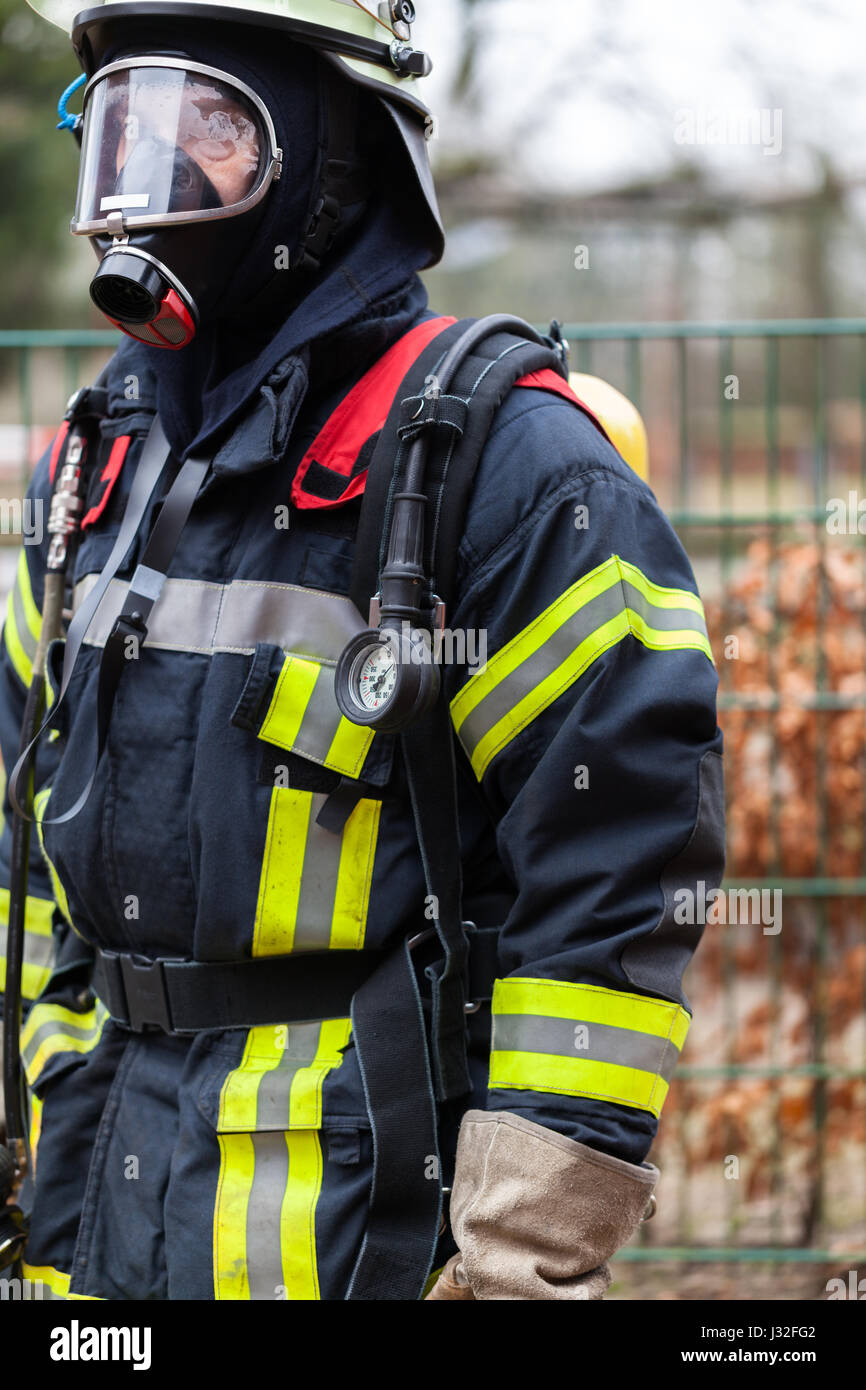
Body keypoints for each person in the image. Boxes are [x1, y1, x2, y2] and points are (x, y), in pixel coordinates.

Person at [0, 0, 724, 1301]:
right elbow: (20, 834)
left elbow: (612, 885)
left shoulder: (509, 471)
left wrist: (518, 1260)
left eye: (203, 124)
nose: (145, 181)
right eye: (117, 124)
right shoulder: (91, 471)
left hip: (358, 1244)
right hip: (89, 1240)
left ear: (335, 155)